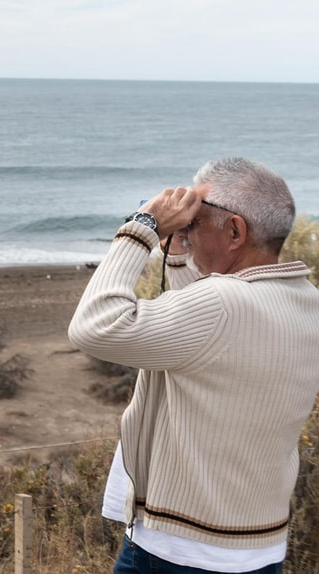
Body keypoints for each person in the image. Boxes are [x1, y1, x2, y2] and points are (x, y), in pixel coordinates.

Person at [68, 157, 319, 574]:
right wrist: (183, 256)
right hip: (258, 544)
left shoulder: (222, 303)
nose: (183, 226)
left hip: (179, 551)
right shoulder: (305, 301)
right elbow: (204, 346)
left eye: (195, 220)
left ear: (235, 230)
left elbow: (95, 327)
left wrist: (141, 226)